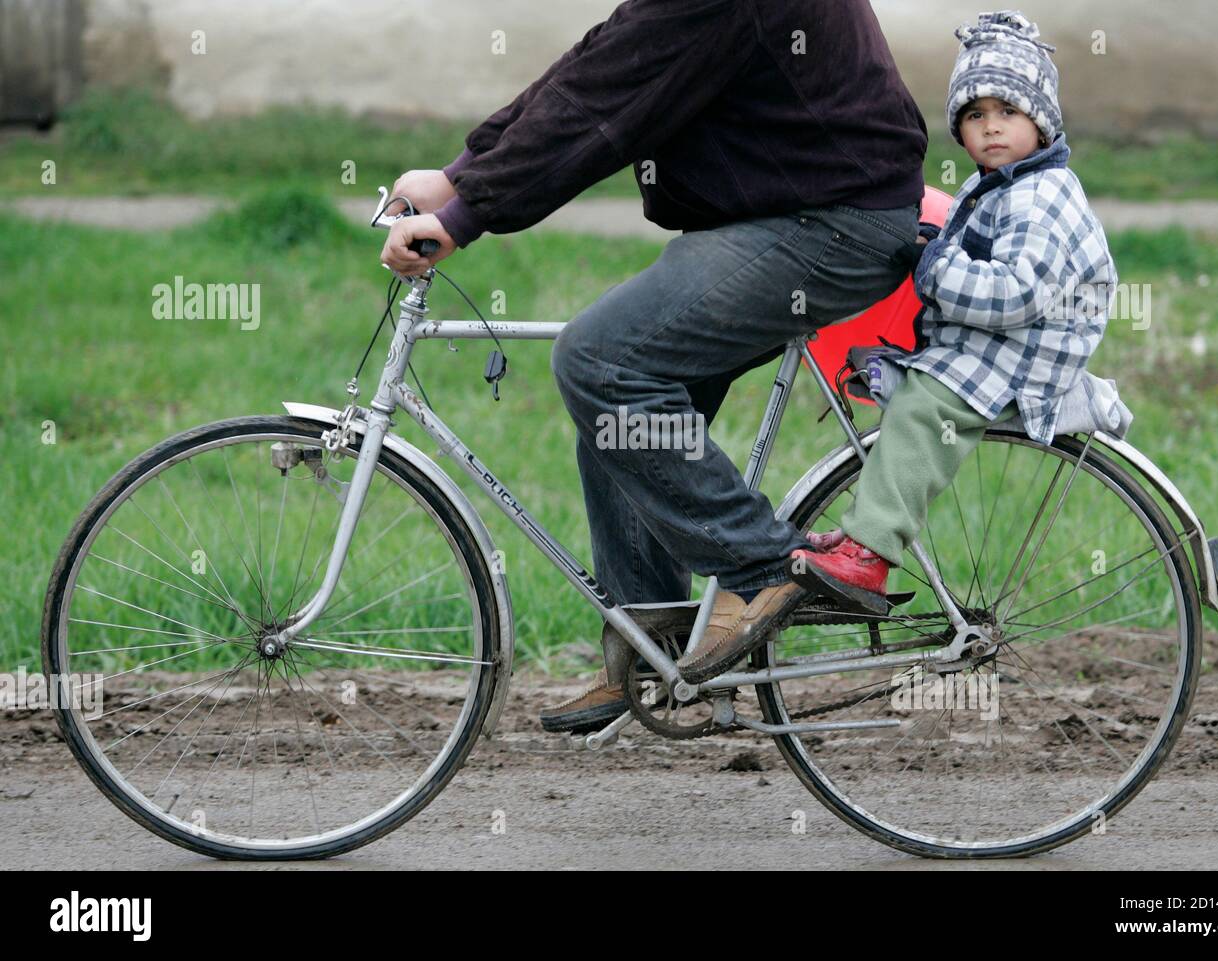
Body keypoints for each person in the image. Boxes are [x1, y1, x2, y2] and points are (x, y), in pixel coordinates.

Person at [378, 1, 930, 733]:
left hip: (828, 220)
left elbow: (606, 106)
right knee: (619, 397)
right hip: (793, 205)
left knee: (603, 360)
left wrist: (465, 213)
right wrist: (463, 176)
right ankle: (653, 643)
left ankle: (774, 566)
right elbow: (601, 63)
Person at [790, 11, 1118, 619]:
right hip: (999, 338)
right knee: (904, 383)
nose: (991, 129)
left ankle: (872, 553)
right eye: (974, 115)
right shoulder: (998, 184)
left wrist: (935, 268)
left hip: (1030, 346)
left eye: (1007, 113)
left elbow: (1018, 292)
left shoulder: (1042, 196)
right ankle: (868, 527)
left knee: (928, 405)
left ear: (1041, 122)